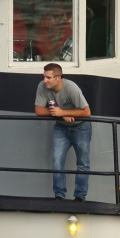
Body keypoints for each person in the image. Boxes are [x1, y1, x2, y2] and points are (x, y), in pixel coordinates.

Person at [33, 63, 92, 201]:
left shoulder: (71, 88)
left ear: (58, 78)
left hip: (81, 127)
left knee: (83, 163)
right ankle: (59, 195)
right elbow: (39, 110)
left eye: (48, 77)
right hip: (61, 127)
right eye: (44, 77)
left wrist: (63, 112)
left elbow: (87, 112)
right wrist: (60, 115)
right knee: (57, 160)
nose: (44, 80)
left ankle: (80, 196)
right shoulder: (42, 87)